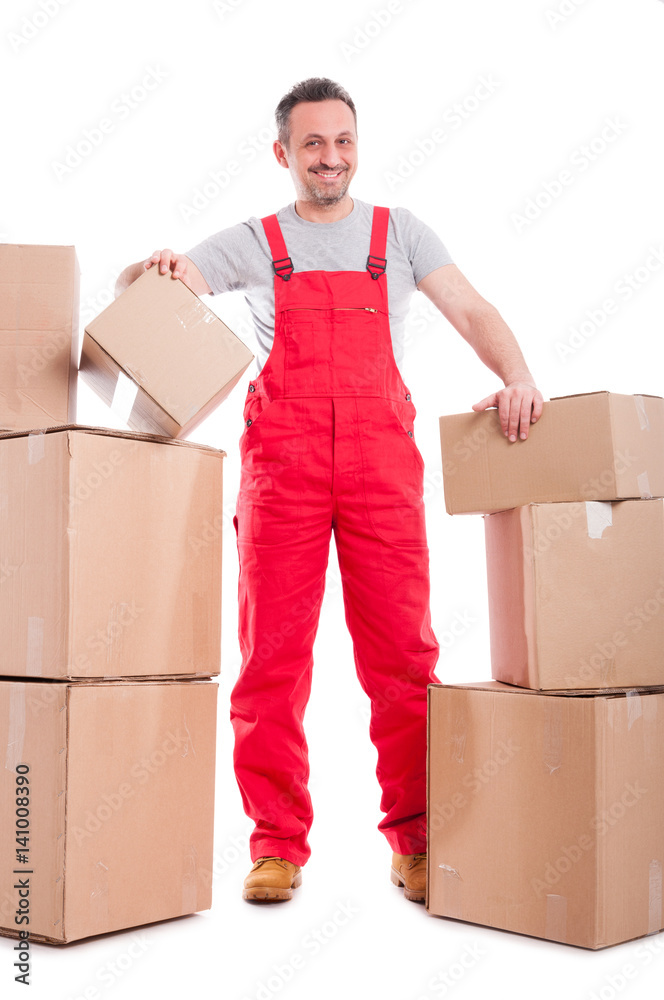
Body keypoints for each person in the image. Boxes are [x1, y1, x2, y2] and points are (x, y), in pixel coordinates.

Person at [116, 77, 543, 906]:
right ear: (284, 154)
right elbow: (152, 287)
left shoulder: (402, 234)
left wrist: (520, 374)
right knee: (271, 660)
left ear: (358, 144)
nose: (331, 158)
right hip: (285, 468)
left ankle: (417, 840)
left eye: (343, 141)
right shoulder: (255, 239)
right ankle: (275, 844)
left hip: (381, 468)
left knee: (405, 659)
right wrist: (154, 263)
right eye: (313, 144)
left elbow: (472, 308)